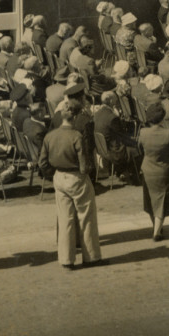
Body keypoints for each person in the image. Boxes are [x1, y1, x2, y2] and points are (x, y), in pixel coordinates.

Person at [38, 99, 103, 269]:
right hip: (76, 177)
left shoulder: (50, 136)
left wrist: (54, 173)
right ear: (74, 116)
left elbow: (42, 162)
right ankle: (91, 257)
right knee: (86, 217)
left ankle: (66, 259)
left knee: (65, 218)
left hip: (59, 177)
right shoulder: (76, 136)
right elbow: (84, 166)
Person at [138, 101, 169, 241]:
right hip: (164, 169)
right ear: (163, 118)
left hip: (147, 169)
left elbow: (140, 149)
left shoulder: (143, 133)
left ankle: (156, 227)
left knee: (151, 199)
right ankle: (157, 232)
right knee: (161, 199)